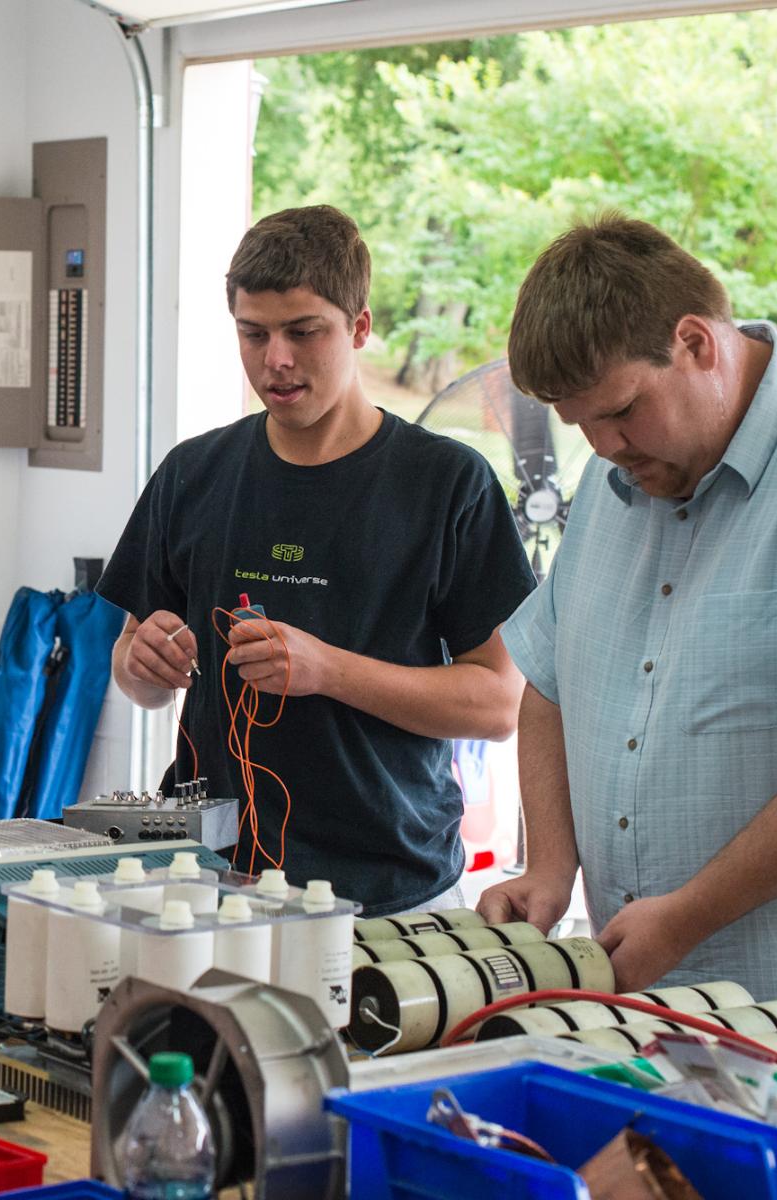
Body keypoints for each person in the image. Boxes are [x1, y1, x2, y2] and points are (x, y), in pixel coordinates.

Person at [477, 213, 777, 1000]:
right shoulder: (617, 475)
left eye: (621, 410)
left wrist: (689, 915)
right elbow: (551, 684)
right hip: (632, 1004)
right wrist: (551, 867)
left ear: (697, 344)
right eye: (581, 425)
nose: (602, 448)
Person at [97, 205, 534, 915]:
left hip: (388, 894)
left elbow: (498, 703)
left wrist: (327, 671)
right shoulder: (192, 474)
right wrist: (141, 663)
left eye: (304, 332)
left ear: (359, 327)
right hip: (207, 882)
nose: (277, 359)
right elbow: (137, 677)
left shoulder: (447, 485)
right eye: (254, 333)